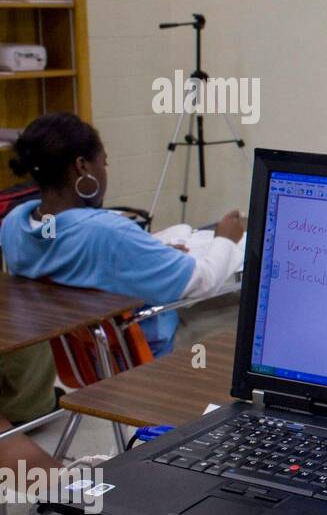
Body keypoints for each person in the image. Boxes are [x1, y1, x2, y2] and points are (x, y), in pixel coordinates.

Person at [1, 112, 244, 358]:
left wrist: (149, 253)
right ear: (82, 166)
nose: (105, 172)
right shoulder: (105, 232)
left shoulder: (14, 223)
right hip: (139, 351)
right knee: (240, 302)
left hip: (76, 356)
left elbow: (62, 241)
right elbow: (203, 280)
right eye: (103, 164)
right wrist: (226, 238)